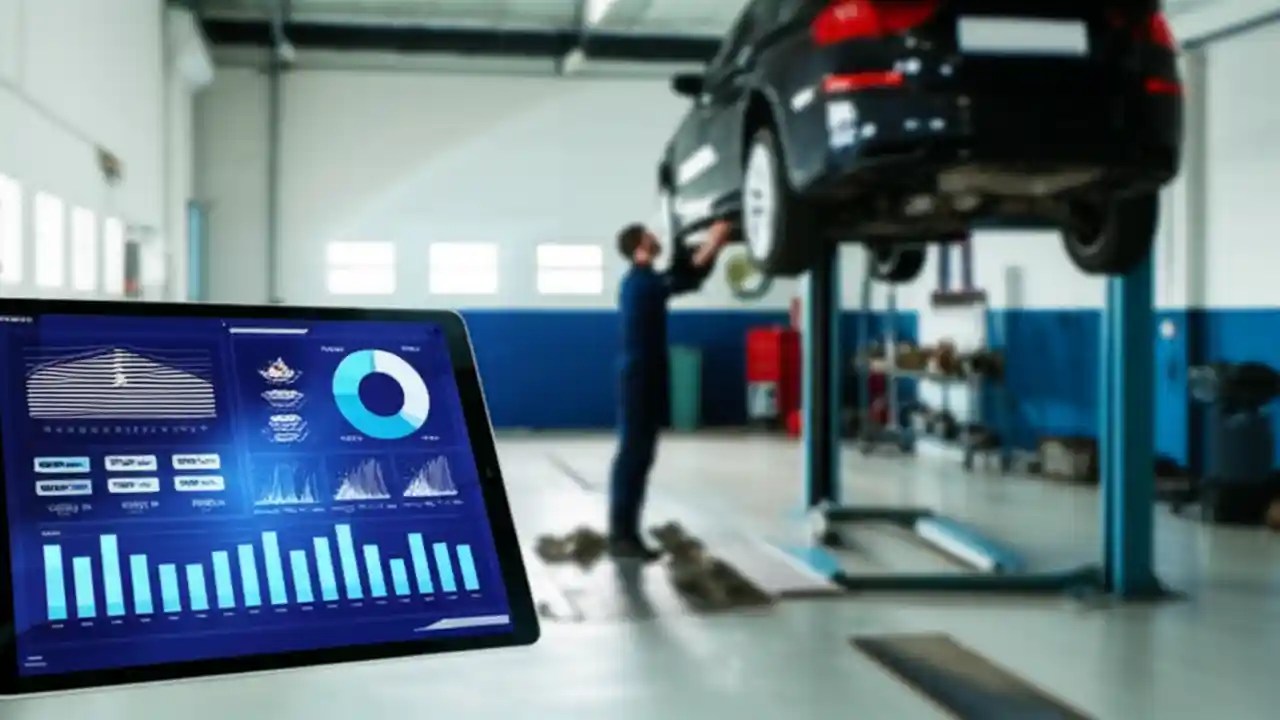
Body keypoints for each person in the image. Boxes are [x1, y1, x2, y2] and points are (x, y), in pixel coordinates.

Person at [608, 219, 733, 560]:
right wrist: (713, 242)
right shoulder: (640, 283)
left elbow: (684, 277)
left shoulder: (644, 280)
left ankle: (625, 532)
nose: (656, 238)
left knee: (639, 456)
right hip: (639, 378)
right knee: (634, 456)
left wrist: (712, 247)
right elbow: (681, 279)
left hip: (644, 376)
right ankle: (621, 536)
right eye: (650, 237)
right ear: (640, 248)